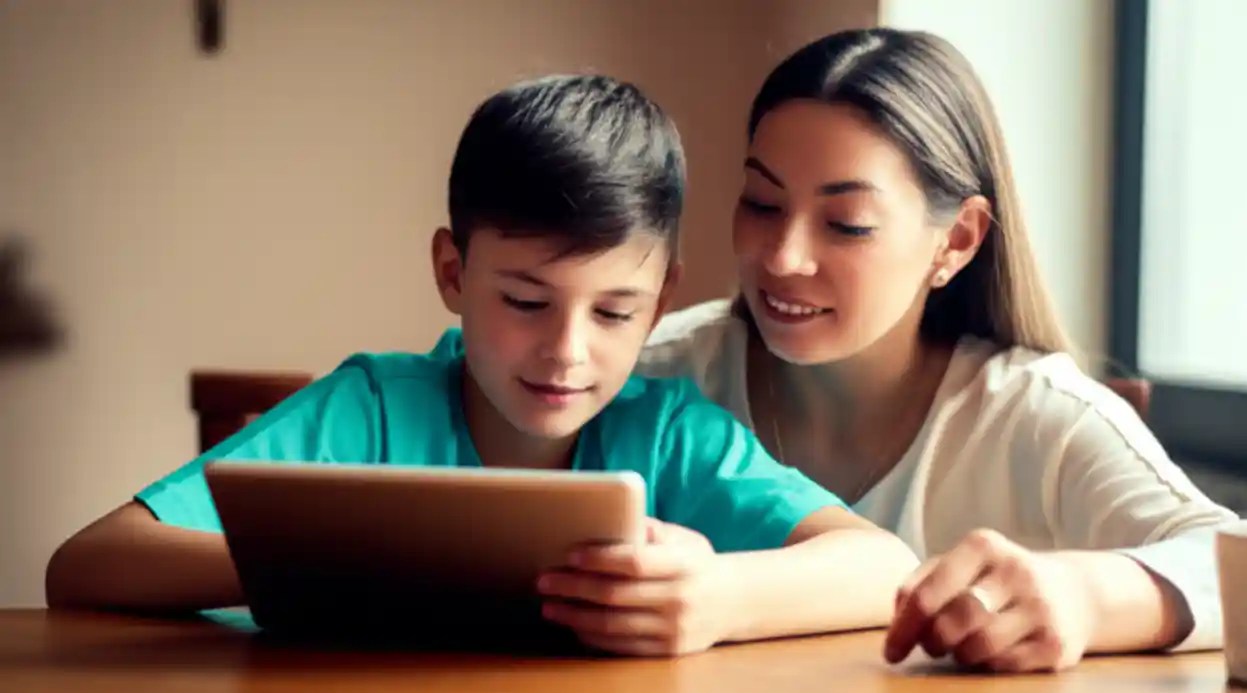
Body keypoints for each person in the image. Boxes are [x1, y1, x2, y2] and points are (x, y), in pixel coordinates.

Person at [44, 74, 919, 657]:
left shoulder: (670, 436)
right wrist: (309, 566)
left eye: (616, 312)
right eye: (526, 302)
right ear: (453, 274)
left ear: (660, 302)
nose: (568, 351)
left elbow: (883, 569)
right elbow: (87, 566)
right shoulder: (374, 408)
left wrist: (723, 597)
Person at [640, 29, 1237, 672]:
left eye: (847, 225)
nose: (784, 257)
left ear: (956, 240)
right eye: (761, 204)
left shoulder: (1033, 415)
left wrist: (1085, 597)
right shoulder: (653, 375)